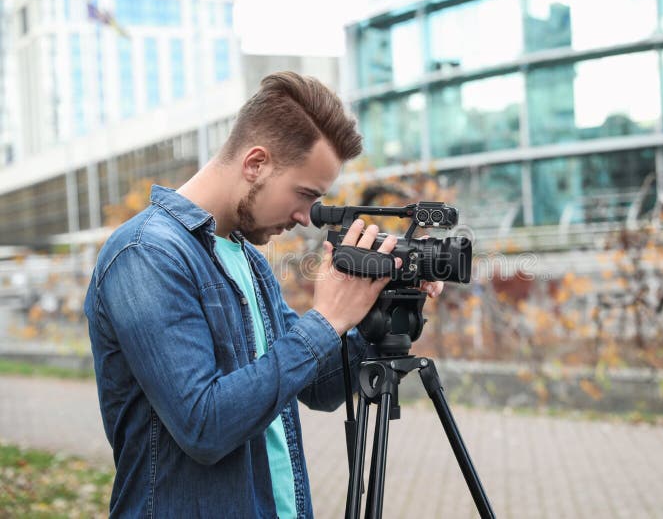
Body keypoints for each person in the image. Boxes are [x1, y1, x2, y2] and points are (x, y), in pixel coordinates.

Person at [84, 71, 443, 518]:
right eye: (304, 194)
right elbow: (204, 425)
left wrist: (383, 314)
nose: (306, 216)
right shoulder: (146, 254)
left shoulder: (247, 258)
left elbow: (317, 385)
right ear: (255, 163)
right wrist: (326, 320)